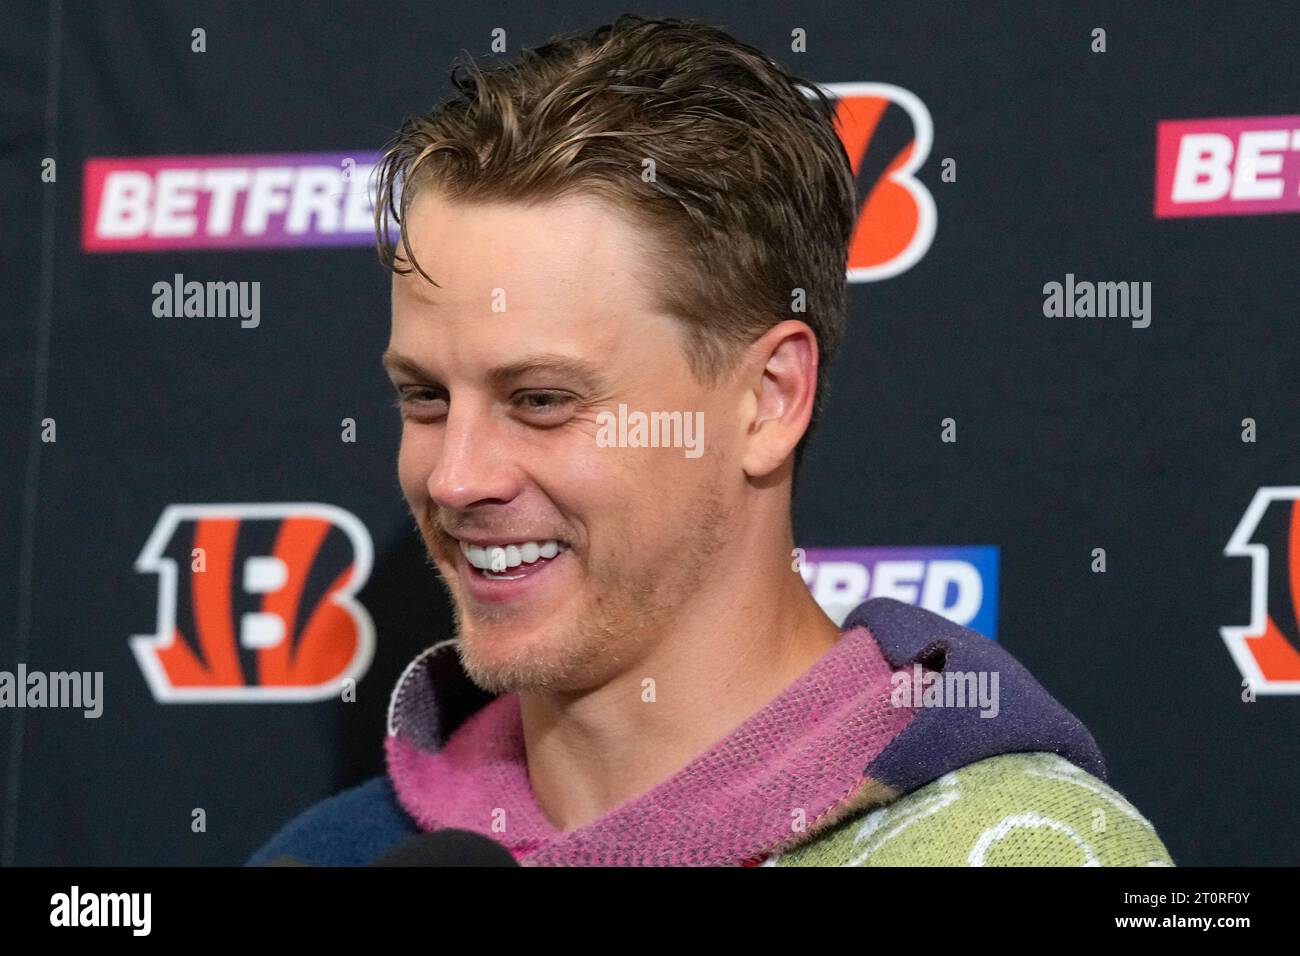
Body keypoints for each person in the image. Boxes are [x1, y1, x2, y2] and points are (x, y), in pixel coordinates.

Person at [248, 14, 1172, 867]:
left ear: (768, 400)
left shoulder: (1021, 850)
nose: (456, 478)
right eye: (425, 398)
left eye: (540, 400)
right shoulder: (327, 855)